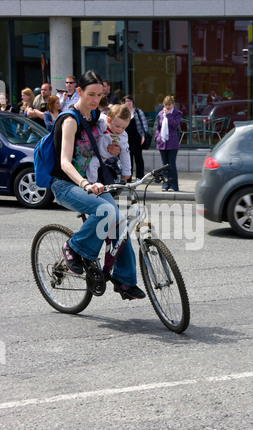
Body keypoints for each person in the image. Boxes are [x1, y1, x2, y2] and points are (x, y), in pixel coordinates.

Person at [50, 70, 145, 300]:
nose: (95, 100)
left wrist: (113, 152)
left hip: (93, 182)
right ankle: (74, 247)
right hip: (66, 184)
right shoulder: (70, 120)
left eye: (99, 95)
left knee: (120, 226)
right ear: (79, 91)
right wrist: (84, 183)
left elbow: (100, 147)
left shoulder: (95, 117)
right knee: (106, 211)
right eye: (90, 94)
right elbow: (64, 161)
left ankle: (124, 281)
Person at [86, 104, 131, 183]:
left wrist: (127, 171)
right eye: (117, 126)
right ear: (109, 120)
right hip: (89, 150)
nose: (120, 130)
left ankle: (92, 183)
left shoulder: (123, 136)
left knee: (92, 164)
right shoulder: (102, 121)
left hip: (101, 157)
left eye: (124, 127)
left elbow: (125, 153)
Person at [154, 95, 182, 192]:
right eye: (166, 105)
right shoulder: (161, 113)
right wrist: (157, 137)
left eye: (169, 105)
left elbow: (174, 125)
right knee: (164, 165)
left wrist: (169, 115)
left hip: (172, 143)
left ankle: (174, 185)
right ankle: (165, 184)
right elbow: (158, 127)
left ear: (173, 104)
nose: (167, 107)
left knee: (171, 164)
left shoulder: (177, 113)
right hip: (162, 142)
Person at [122, 94, 148, 181]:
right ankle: (128, 177)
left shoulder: (138, 111)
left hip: (137, 137)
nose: (128, 103)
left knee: (138, 157)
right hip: (126, 138)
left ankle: (140, 176)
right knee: (128, 158)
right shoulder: (123, 112)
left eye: (129, 101)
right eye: (126, 101)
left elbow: (144, 123)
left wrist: (144, 135)